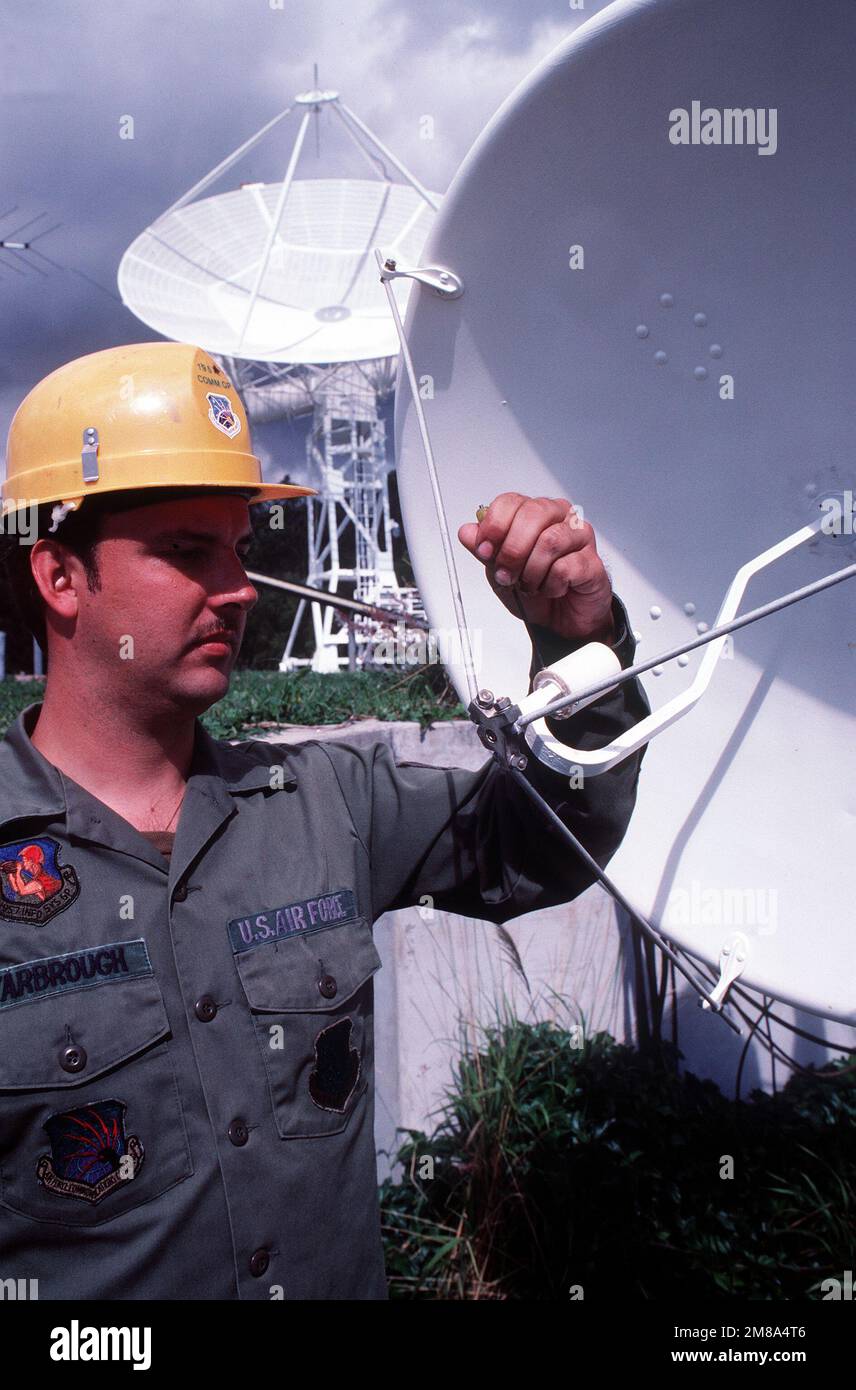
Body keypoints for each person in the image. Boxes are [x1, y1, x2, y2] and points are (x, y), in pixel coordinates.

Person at [0, 341, 650, 1299]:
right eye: (187, 551)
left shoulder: (330, 803)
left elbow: (554, 840)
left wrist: (581, 644)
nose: (239, 588)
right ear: (61, 578)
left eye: (240, 548)